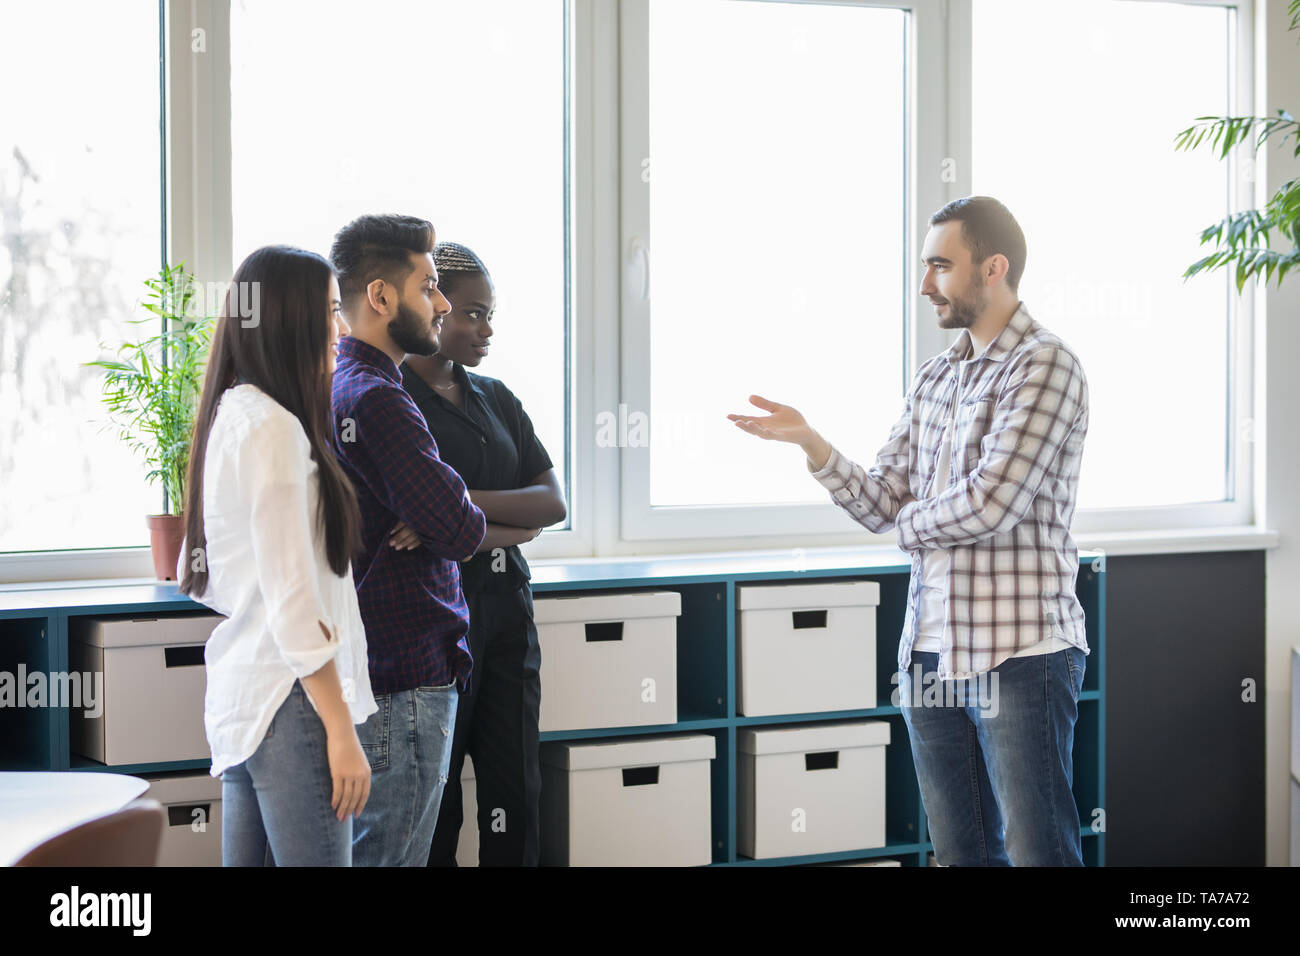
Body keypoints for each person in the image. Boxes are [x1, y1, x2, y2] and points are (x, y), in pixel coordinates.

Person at [729, 196, 1091, 866]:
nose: (925, 284)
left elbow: (991, 506)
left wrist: (908, 524)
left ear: (993, 268)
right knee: (960, 854)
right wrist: (812, 443)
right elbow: (878, 503)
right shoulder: (935, 378)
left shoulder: (1046, 365)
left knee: (1039, 851)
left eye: (940, 266)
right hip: (928, 654)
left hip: (1020, 655)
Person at [178, 244, 376, 866]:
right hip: (292, 703)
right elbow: (296, 602)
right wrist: (341, 730)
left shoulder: (235, 413)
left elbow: (222, 579)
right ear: (290, 319)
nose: (340, 326)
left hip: (249, 698)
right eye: (328, 310)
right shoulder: (272, 428)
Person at [396, 241, 566, 867]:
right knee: (436, 796)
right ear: (433, 306)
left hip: (507, 611)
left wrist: (452, 502)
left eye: (489, 313)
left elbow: (551, 504)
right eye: (470, 312)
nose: (485, 328)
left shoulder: (496, 397)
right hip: (435, 614)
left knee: (514, 788)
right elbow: (401, 523)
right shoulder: (394, 398)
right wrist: (499, 519)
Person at [328, 214, 487, 867]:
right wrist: (444, 512)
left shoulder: (339, 382)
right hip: (405, 681)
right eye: (428, 287)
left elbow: (445, 518)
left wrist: (438, 511)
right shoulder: (380, 400)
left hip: (372, 671)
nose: (443, 303)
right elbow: (462, 528)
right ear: (381, 297)